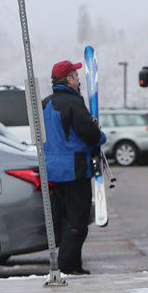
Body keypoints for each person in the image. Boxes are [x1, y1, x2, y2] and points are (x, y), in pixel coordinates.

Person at [43, 60, 106, 275]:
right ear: (69, 79)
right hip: (74, 169)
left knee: (62, 218)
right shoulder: (73, 103)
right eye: (76, 75)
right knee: (77, 220)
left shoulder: (44, 103)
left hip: (52, 171)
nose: (79, 79)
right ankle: (68, 267)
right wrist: (100, 137)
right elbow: (90, 134)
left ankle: (70, 265)